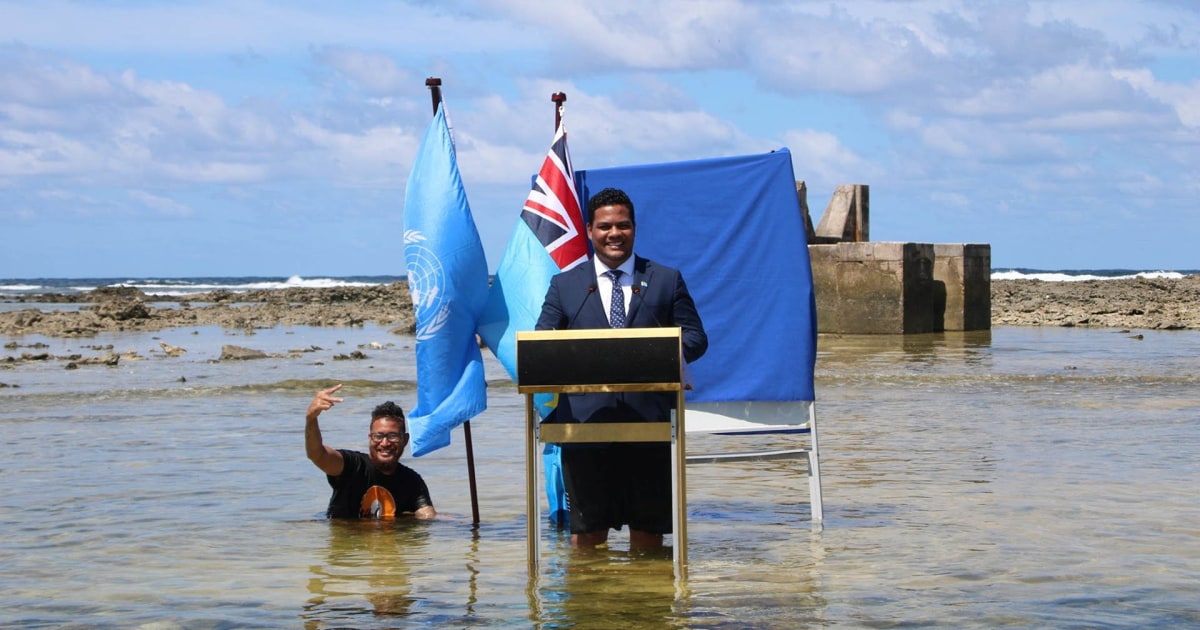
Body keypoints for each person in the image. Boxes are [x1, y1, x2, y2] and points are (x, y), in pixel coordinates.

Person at [535, 187, 708, 550]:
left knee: (648, 535)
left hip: (650, 423)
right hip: (583, 427)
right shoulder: (565, 285)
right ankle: (591, 606)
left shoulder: (664, 279)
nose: (614, 233)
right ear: (589, 230)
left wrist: (657, 356)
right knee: (587, 535)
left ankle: (643, 605)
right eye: (605, 227)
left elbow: (695, 337)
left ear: (634, 228)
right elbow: (542, 340)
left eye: (623, 225)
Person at [305, 383, 436, 519]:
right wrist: (311, 418)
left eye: (393, 436)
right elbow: (317, 455)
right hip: (347, 537)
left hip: (388, 539)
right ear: (370, 438)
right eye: (378, 436)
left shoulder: (411, 481)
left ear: (405, 439)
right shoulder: (352, 466)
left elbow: (427, 516)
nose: (385, 443)